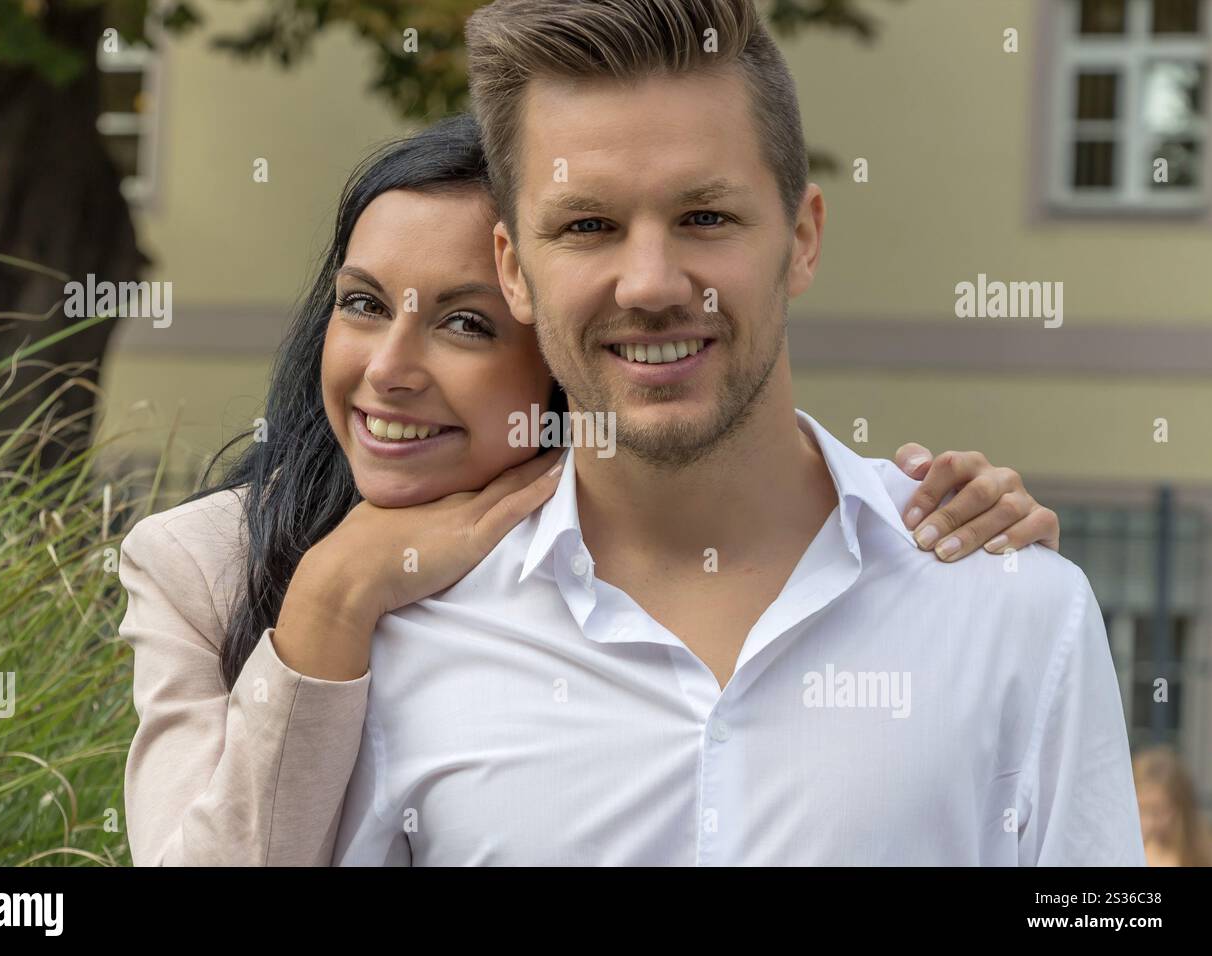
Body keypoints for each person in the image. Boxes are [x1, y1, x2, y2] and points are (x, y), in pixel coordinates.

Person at [120, 114, 1060, 866]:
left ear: (559, 353)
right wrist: (333, 597)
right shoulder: (202, 567)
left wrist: (962, 583)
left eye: (464, 324)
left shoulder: (634, 560)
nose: (391, 370)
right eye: (363, 304)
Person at [329, 0, 1145, 865]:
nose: (649, 284)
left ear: (801, 238)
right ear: (513, 270)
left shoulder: (1014, 607)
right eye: (588, 227)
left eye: (705, 218)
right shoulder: (406, 639)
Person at [1134, 746, 1212, 866]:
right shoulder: (1129, 848)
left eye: (1157, 811)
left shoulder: (1200, 852)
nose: (1148, 821)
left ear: (1181, 807)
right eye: (1141, 810)